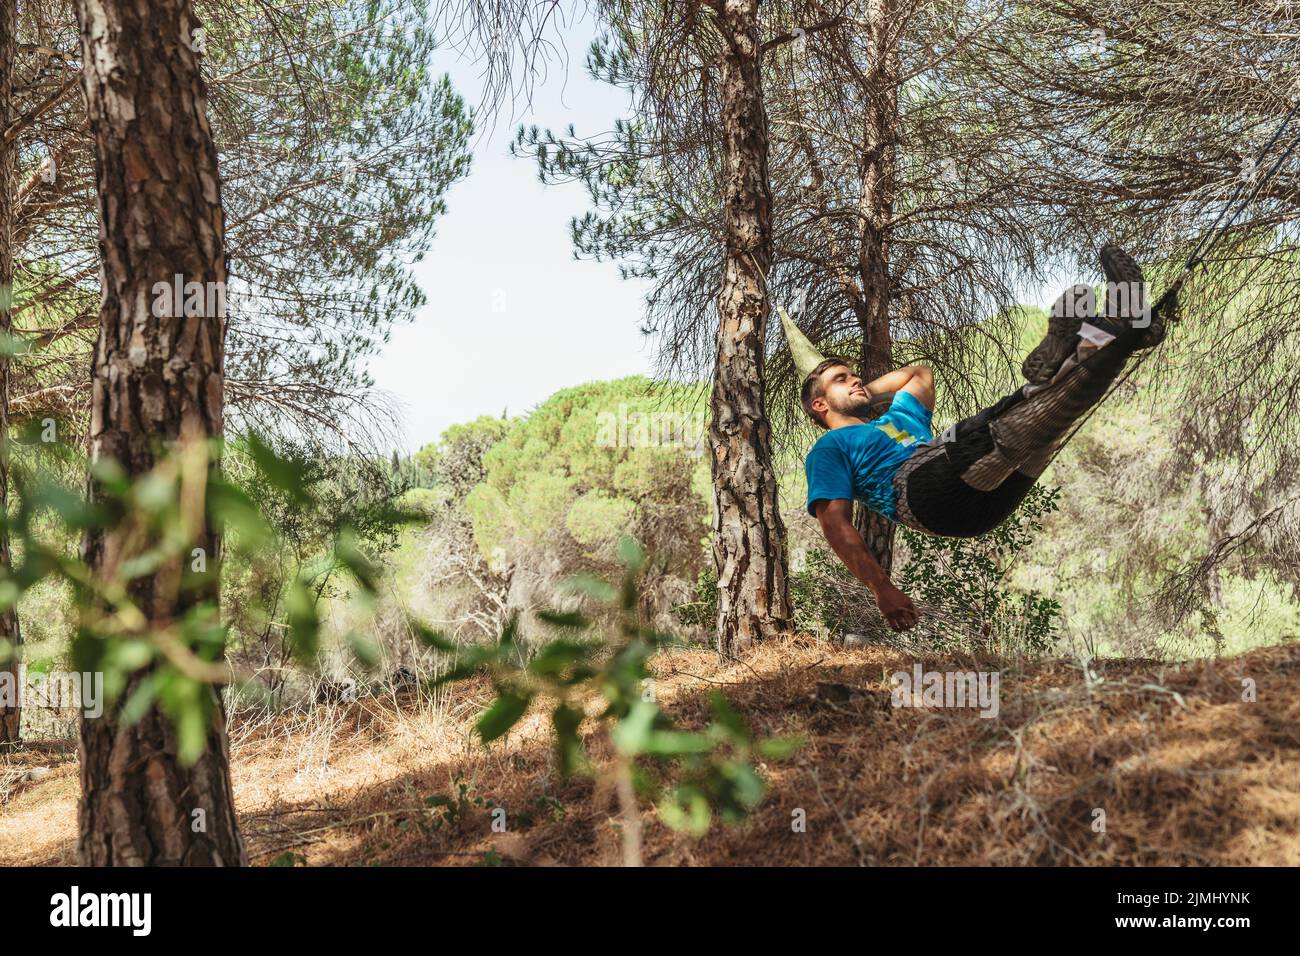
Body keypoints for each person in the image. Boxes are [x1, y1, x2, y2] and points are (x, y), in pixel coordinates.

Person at [795, 246, 1167, 631]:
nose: (854, 378)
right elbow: (835, 523)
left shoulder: (898, 416)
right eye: (841, 380)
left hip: (985, 505)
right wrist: (881, 587)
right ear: (820, 405)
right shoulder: (828, 448)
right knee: (999, 424)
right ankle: (1096, 337)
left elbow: (918, 374)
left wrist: (862, 392)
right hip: (926, 493)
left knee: (1054, 416)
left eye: (853, 374)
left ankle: (1115, 334)